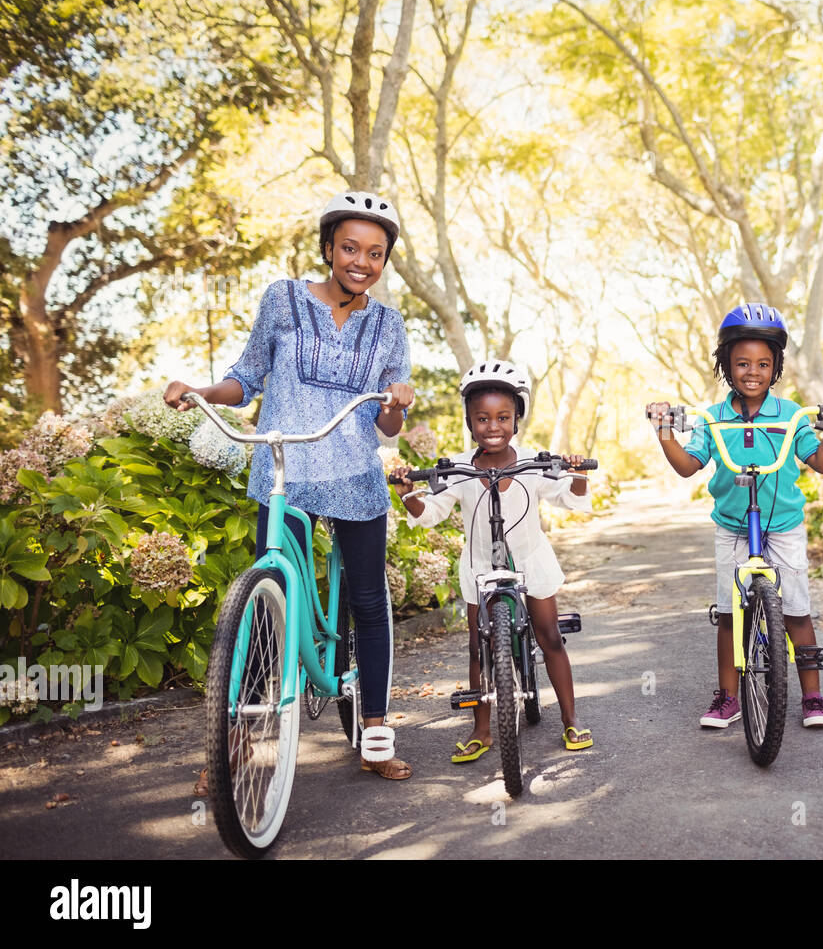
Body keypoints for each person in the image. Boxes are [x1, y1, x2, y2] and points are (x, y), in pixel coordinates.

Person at [166, 190, 415, 782]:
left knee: (367, 604)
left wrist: (398, 402)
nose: (361, 260)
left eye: (375, 253)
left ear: (384, 262)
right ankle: (238, 747)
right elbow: (246, 378)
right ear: (328, 248)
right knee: (265, 606)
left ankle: (374, 731)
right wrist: (201, 391)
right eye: (350, 247)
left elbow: (387, 424)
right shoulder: (282, 298)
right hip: (286, 473)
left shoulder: (388, 324)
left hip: (355, 475)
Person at [646, 304, 823, 730]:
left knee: (796, 610)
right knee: (728, 613)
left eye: (763, 363)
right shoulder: (713, 417)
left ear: (776, 366)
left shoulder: (791, 414)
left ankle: (813, 695)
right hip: (733, 526)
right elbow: (689, 466)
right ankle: (728, 696)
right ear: (726, 365)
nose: (753, 372)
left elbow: (821, 463)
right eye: (742, 363)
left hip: (782, 526)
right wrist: (665, 431)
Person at [392, 360, 594, 760]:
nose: (493, 426)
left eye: (503, 417)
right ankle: (481, 729)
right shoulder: (460, 468)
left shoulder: (533, 464)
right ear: (469, 422)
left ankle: (571, 719)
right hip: (479, 566)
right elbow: (430, 513)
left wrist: (576, 472)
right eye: (482, 418)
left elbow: (572, 500)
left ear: (517, 418)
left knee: (550, 637)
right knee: (475, 646)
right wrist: (408, 493)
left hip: (530, 563)